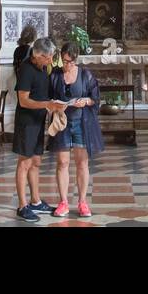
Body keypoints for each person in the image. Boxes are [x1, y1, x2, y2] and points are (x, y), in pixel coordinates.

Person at [47, 42, 105, 218]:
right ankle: (63, 202)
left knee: (82, 163)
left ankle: (82, 202)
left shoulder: (85, 74)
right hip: (62, 123)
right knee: (62, 163)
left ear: (75, 60)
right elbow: (48, 98)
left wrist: (85, 101)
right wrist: (55, 105)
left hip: (81, 123)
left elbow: (95, 98)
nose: (67, 65)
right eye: (64, 61)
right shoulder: (55, 76)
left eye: (70, 62)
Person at [14, 37, 66, 222]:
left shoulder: (42, 67)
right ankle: (22, 206)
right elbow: (23, 100)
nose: (51, 60)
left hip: (38, 121)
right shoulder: (27, 70)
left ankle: (36, 201)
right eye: (49, 57)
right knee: (24, 163)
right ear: (38, 55)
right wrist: (47, 105)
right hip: (26, 123)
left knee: (36, 162)